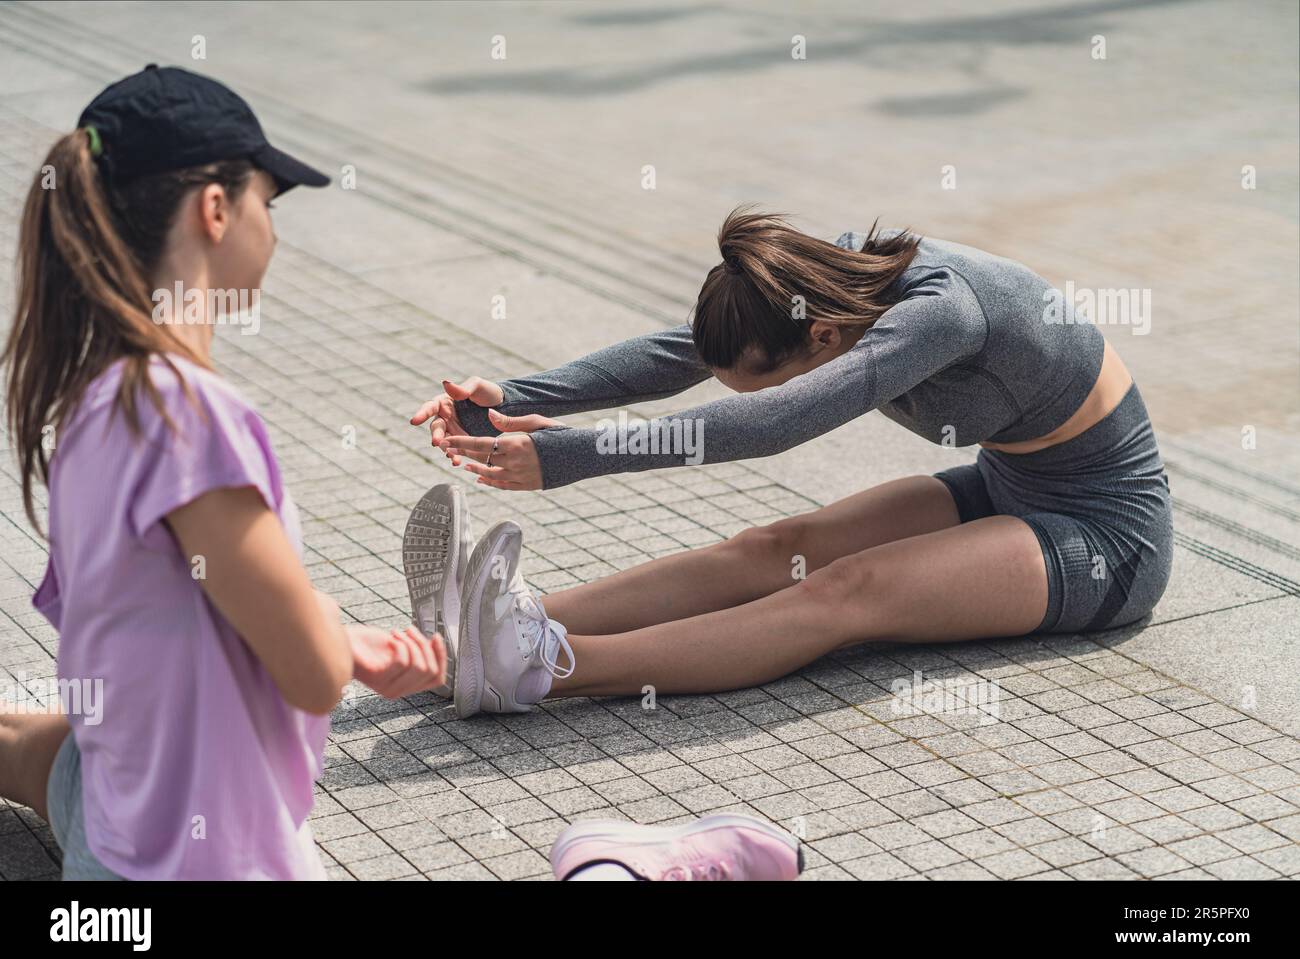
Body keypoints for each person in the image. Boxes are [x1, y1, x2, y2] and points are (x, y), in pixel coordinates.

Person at [408, 210, 1174, 719]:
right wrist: (516, 395)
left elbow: (772, 424)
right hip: (1009, 485)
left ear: (821, 340)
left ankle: (534, 668)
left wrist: (564, 455)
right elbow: (685, 354)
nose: (772, 387)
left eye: (775, 374)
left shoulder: (938, 316)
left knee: (847, 591)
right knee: (771, 550)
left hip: (1105, 539)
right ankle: (488, 634)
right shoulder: (818, 281)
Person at [0, 65, 447, 880]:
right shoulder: (190, 416)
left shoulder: (90, 405)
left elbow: (150, 623)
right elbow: (311, 677)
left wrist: (332, 638)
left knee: (46, 752)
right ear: (215, 209)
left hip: (112, 824)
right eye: (265, 203)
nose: (271, 229)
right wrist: (329, 621)